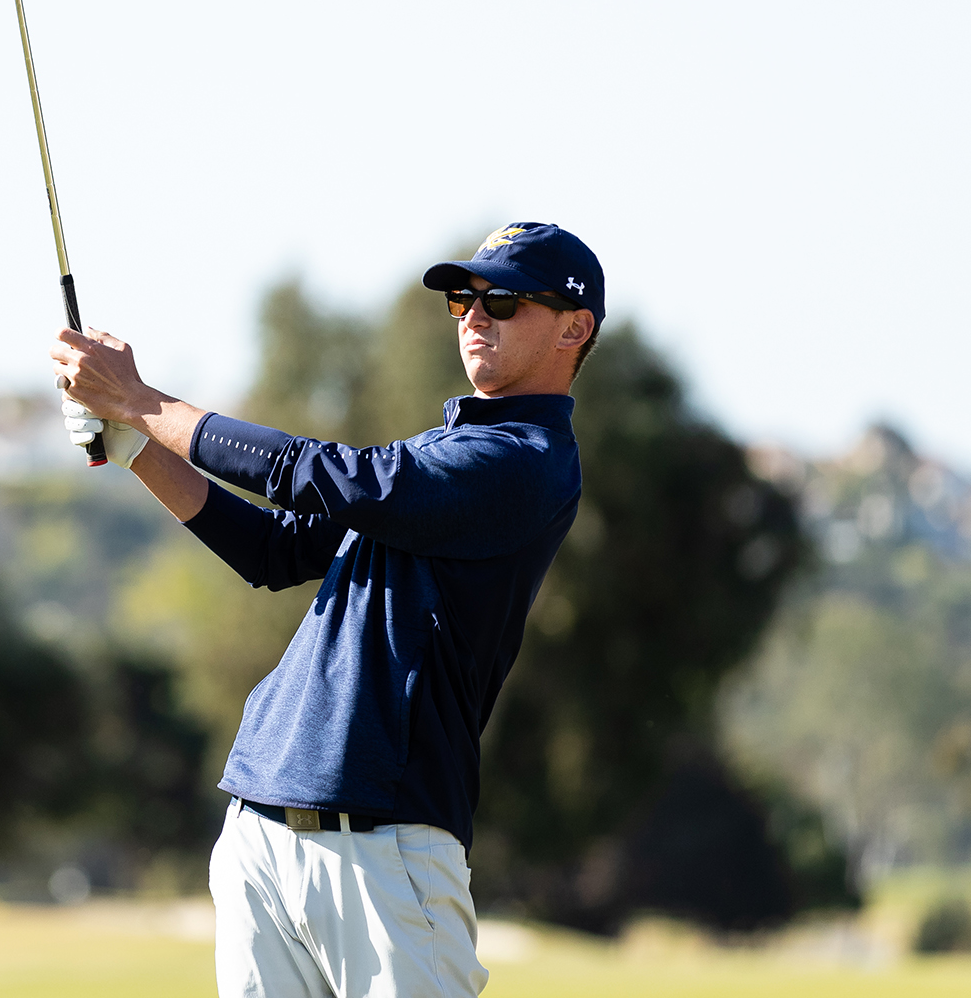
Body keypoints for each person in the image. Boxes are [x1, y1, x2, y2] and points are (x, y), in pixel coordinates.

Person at [49, 222, 602, 998]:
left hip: (386, 842)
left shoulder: (524, 463)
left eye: (503, 300)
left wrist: (141, 403)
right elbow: (275, 549)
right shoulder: (439, 453)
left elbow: (325, 477)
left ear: (574, 328)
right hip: (262, 821)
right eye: (463, 299)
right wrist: (136, 445)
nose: (475, 314)